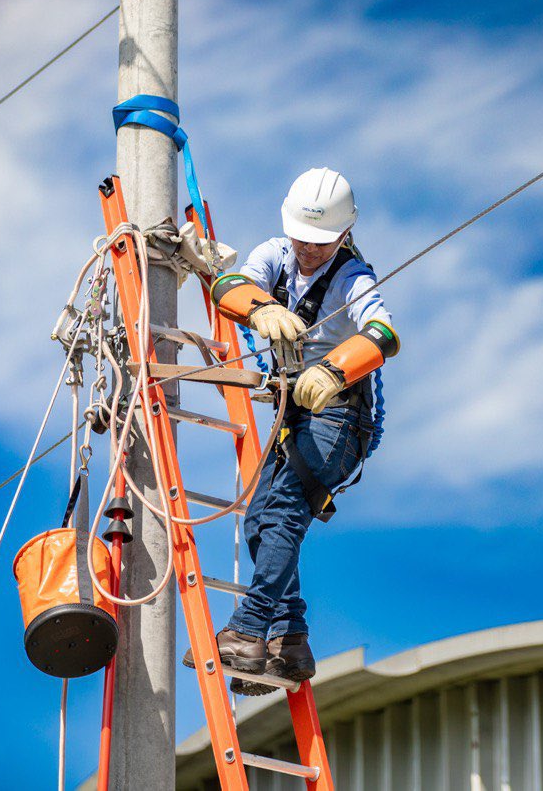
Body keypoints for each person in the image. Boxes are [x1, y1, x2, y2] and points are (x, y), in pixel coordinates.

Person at [183, 167, 399, 695]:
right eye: (301, 236)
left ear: (344, 235)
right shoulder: (275, 255)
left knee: (282, 511)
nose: (306, 249)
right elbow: (230, 284)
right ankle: (290, 639)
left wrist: (334, 369)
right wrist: (263, 310)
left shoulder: (354, 279)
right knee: (260, 520)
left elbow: (384, 333)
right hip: (297, 418)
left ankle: (250, 629)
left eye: (319, 242)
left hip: (342, 418)